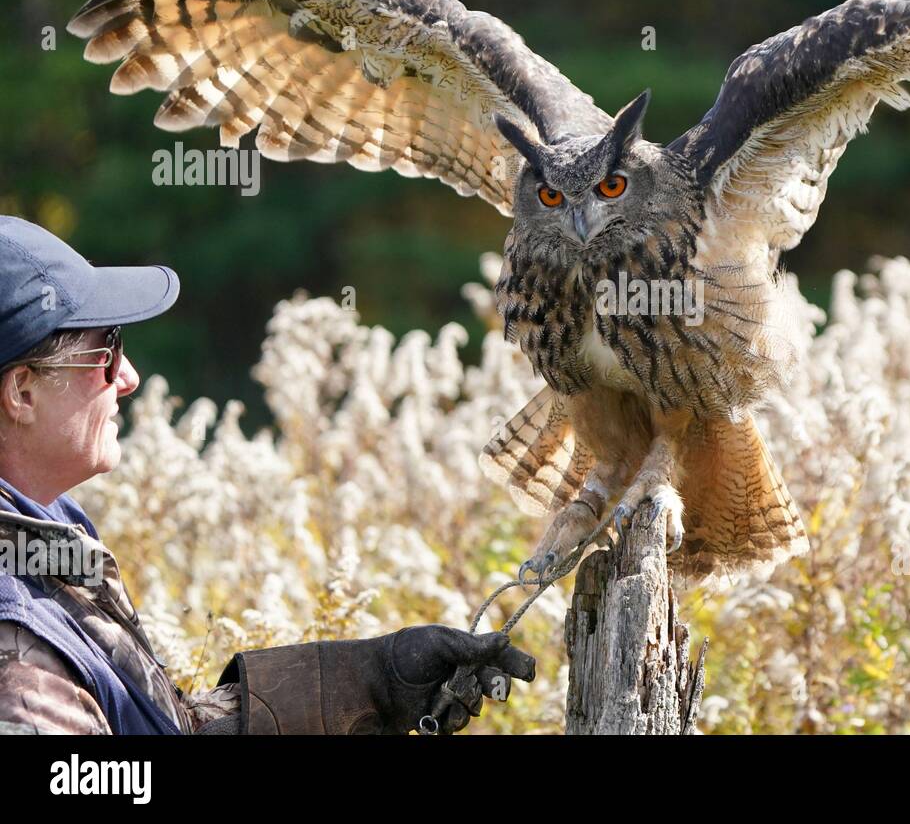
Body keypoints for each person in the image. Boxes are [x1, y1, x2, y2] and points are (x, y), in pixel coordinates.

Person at [0, 215, 534, 734]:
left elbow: (171, 728)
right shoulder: (17, 660)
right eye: (106, 353)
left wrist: (378, 679)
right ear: (22, 391)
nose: (130, 377)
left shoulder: (48, 527)